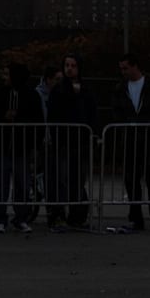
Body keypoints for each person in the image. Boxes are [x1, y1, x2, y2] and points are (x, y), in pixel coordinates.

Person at [0, 63, 43, 233]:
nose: (4, 78)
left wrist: (33, 143)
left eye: (8, 74)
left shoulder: (31, 95)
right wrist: (3, 117)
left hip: (21, 148)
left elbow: (37, 121)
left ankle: (21, 218)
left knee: (22, 185)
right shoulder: (0, 94)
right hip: (2, 147)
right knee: (0, 185)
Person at [46, 54, 96, 230]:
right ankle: (57, 214)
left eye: (73, 65)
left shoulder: (86, 90)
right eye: (67, 65)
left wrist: (92, 134)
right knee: (61, 178)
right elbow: (53, 115)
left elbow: (91, 113)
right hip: (63, 141)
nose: (69, 68)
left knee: (77, 179)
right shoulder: (59, 90)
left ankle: (77, 216)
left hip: (80, 141)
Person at [111, 53, 150, 232]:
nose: (123, 72)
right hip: (130, 138)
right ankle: (136, 217)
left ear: (135, 66)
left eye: (125, 68)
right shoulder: (121, 88)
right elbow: (116, 110)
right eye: (121, 69)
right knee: (131, 179)